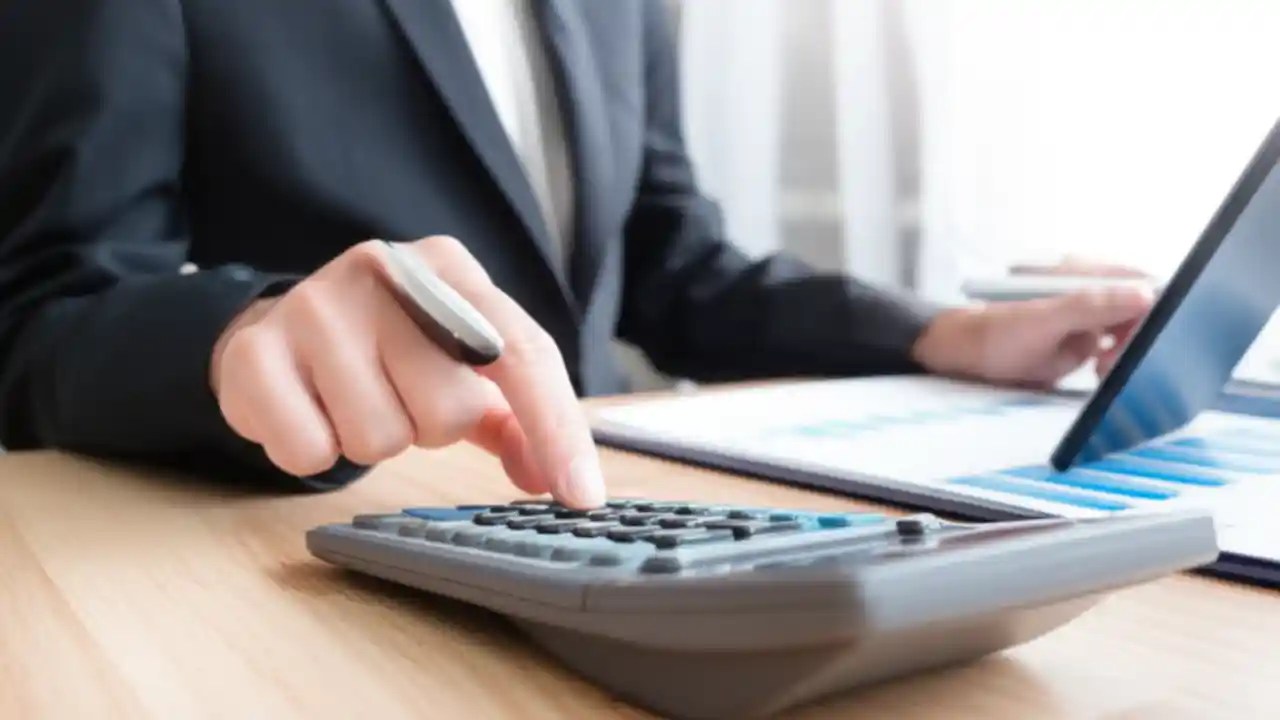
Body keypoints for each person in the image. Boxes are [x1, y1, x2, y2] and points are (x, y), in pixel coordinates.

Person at [0, 0, 1151, 508]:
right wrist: (245, 336)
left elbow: (669, 264)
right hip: (297, 555)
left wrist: (944, 333)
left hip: (601, 528)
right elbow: (47, 313)